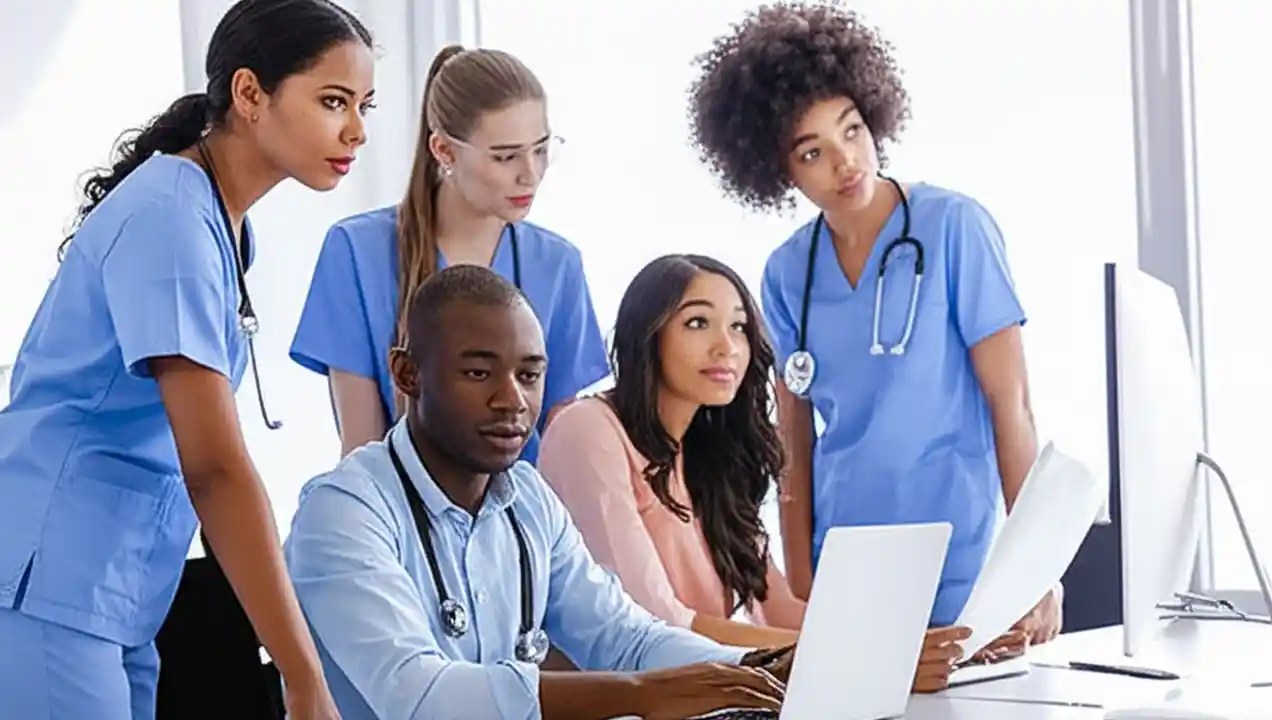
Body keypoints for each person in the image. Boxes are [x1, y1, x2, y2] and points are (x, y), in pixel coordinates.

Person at [0, 1, 375, 717]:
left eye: (364, 104)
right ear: (249, 94)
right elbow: (214, 467)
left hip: (114, 592)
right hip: (49, 578)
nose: (356, 129)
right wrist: (301, 675)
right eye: (333, 101)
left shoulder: (219, 220)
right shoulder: (171, 217)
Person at [687, 1, 1061, 642]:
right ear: (777, 169)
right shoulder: (786, 274)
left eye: (852, 130)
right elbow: (793, 450)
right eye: (812, 152)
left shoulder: (954, 231)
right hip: (848, 571)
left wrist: (1036, 569)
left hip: (960, 566)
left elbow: (1013, 407)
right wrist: (802, 592)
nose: (845, 163)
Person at [284, 264, 795, 719]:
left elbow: (624, 638)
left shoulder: (526, 498)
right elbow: (423, 697)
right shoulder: (345, 510)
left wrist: (758, 667)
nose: (512, 400)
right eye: (478, 372)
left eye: (529, 375)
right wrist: (642, 694)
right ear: (407, 373)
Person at [539, 253, 977, 692]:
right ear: (646, 335)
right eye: (697, 323)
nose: (726, 346)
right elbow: (656, 625)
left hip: (702, 695)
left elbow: (778, 604)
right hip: (620, 700)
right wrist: (860, 660)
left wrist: (916, 646)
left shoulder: (714, 454)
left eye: (739, 327)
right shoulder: (587, 430)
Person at [290, 44, 608, 463]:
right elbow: (361, 453)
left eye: (541, 149)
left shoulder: (558, 265)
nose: (530, 173)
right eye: (505, 156)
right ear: (443, 150)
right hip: (393, 516)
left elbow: (563, 455)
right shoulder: (356, 252)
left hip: (526, 520)